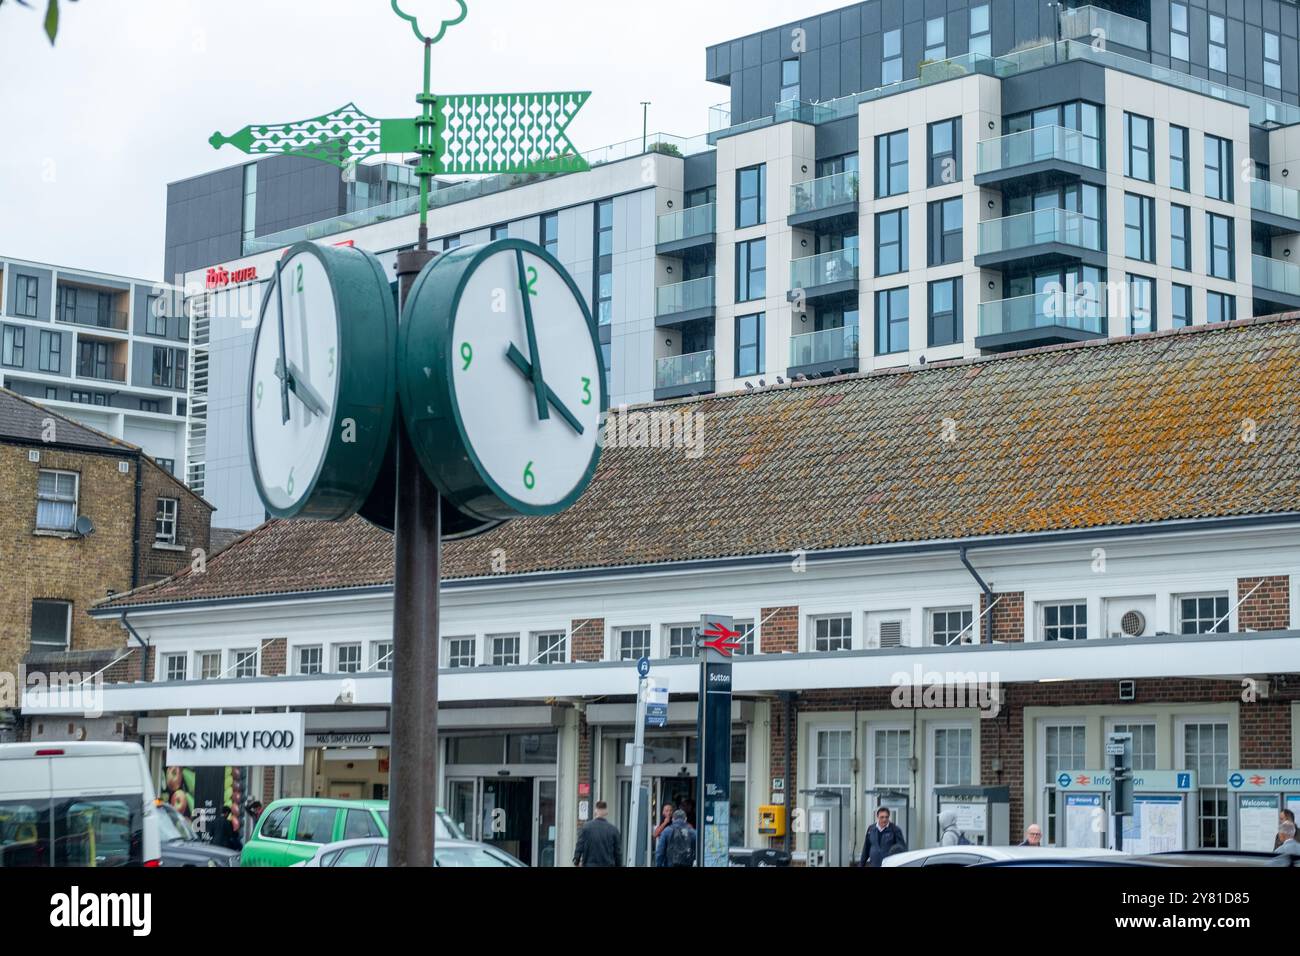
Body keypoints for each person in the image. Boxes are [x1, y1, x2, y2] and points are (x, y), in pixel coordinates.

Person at [573, 800, 621, 867]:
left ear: (595, 811)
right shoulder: (613, 830)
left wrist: (576, 861)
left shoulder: (586, 828)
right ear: (606, 812)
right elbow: (617, 853)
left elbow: (579, 847)